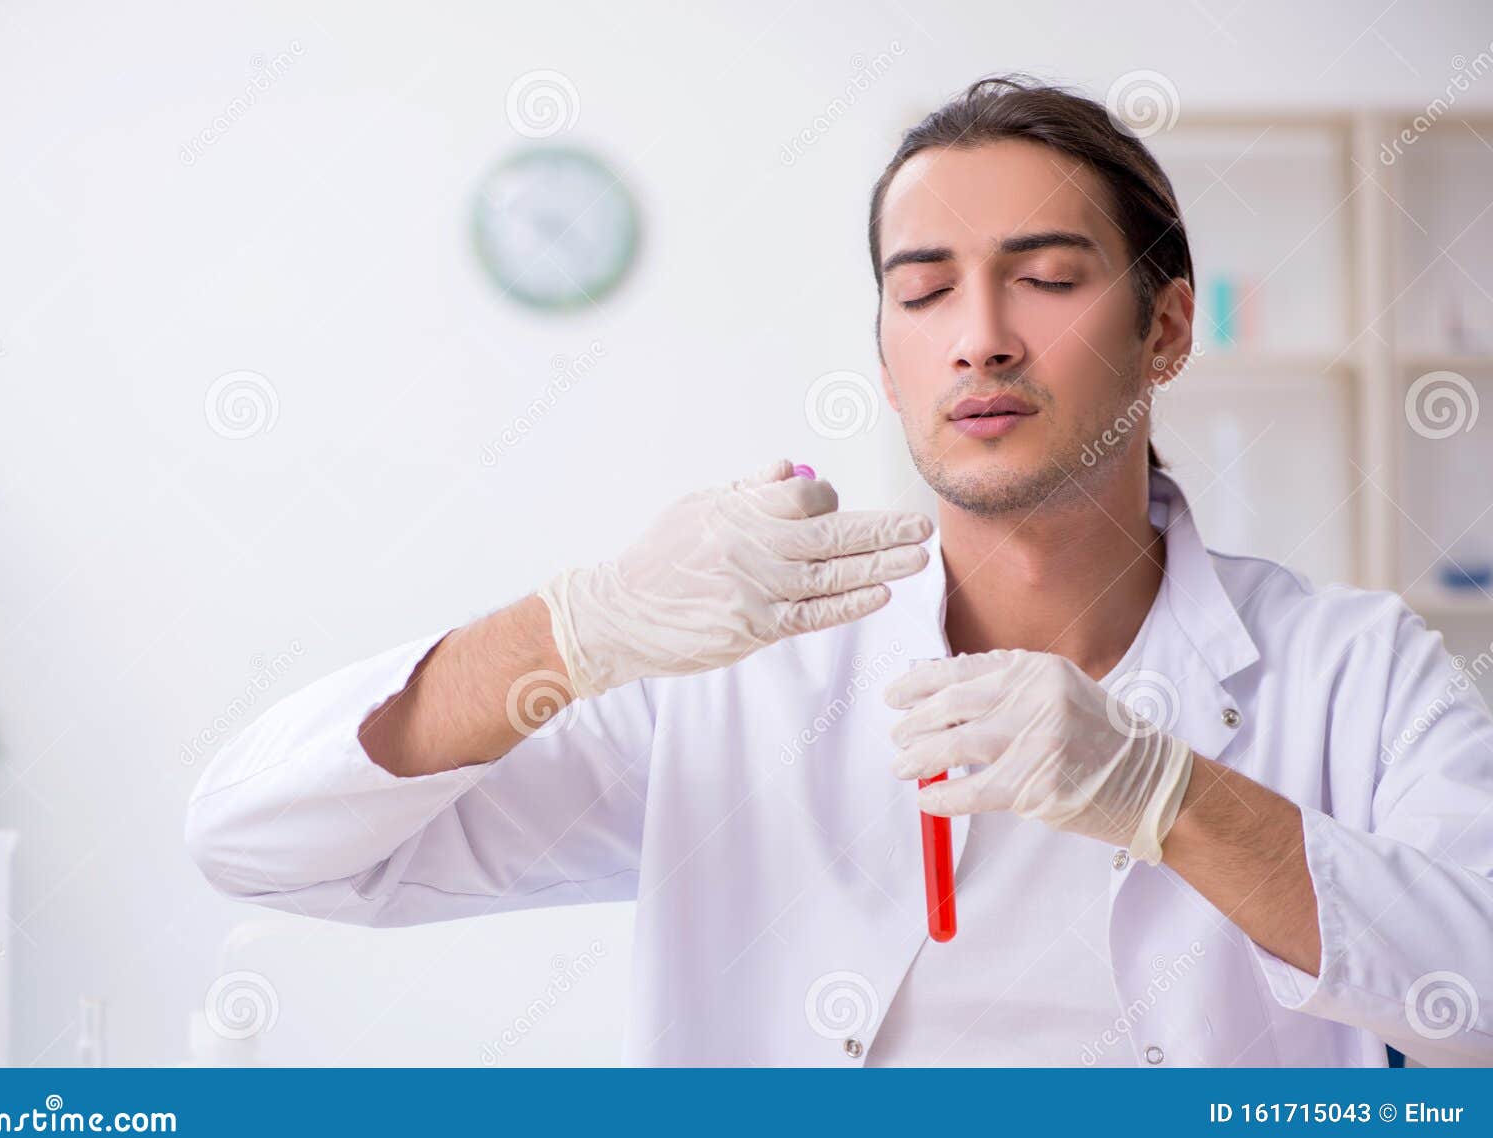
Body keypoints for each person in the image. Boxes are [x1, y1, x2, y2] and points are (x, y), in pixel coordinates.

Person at [185, 75, 1493, 1067]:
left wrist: (1174, 797)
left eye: (1043, 277)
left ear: (1164, 328)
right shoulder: (735, 669)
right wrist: (573, 634)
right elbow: (259, 842)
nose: (980, 338)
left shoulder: (1350, 667)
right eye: (923, 294)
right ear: (885, 361)